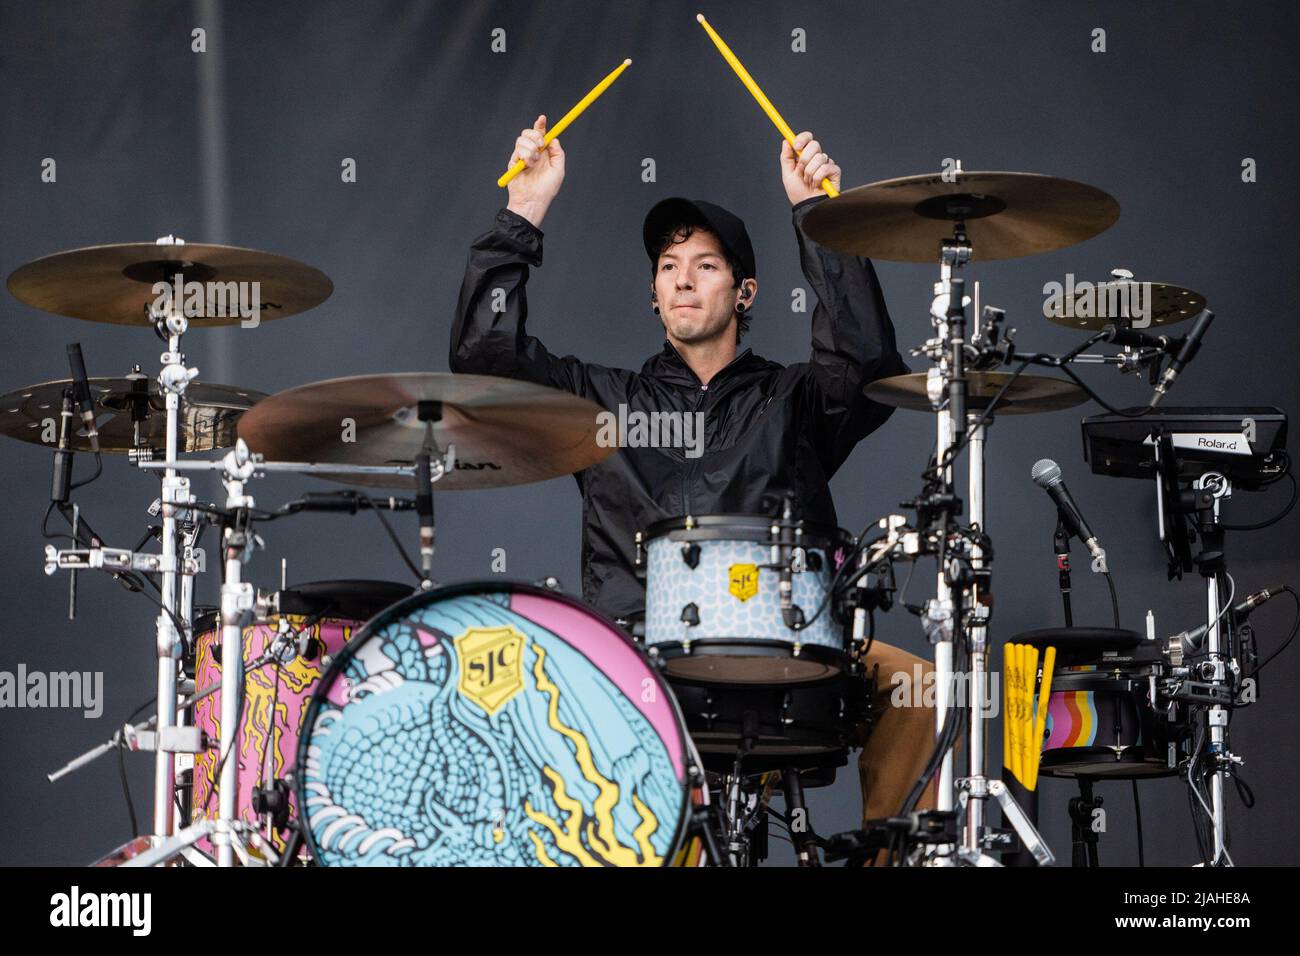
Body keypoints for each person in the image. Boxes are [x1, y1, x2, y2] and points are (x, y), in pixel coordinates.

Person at [450, 114, 938, 830]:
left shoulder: (795, 400)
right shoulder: (602, 402)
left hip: (789, 652)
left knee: (922, 689)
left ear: (745, 293)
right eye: (669, 269)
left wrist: (816, 214)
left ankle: (885, 857)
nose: (683, 280)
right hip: (641, 660)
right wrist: (524, 211)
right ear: (653, 295)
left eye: (706, 265)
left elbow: (867, 361)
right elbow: (484, 361)